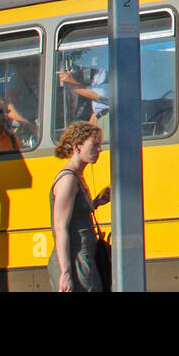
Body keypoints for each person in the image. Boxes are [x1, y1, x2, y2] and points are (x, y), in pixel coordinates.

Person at [49, 121, 111, 292]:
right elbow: (60, 227)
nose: (99, 150)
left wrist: (96, 203)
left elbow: (75, 214)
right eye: (94, 145)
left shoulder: (77, 176)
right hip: (75, 258)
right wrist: (66, 271)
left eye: (99, 145)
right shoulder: (68, 179)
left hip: (84, 255)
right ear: (77, 147)